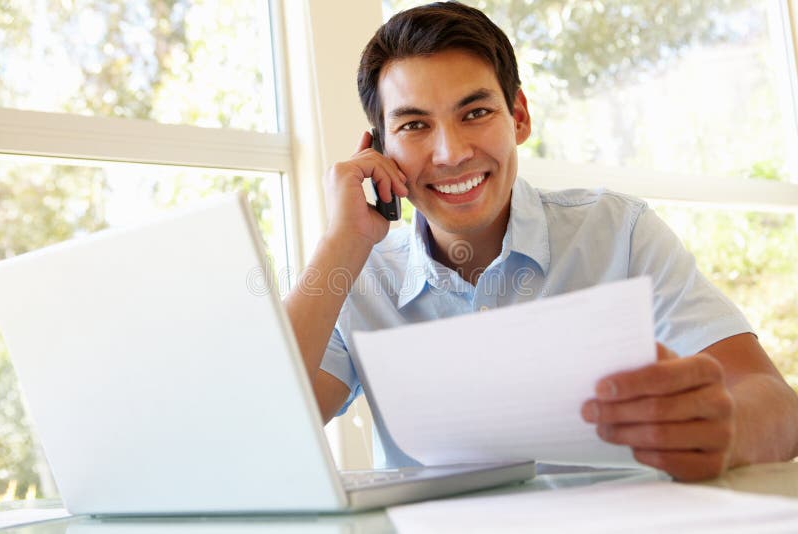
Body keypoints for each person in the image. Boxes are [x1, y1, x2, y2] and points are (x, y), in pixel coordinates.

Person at [284, 1, 798, 481]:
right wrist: (341, 241)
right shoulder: (358, 275)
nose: (450, 153)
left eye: (476, 113)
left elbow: (775, 405)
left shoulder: (620, 233)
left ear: (520, 116)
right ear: (379, 148)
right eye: (415, 125)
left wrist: (726, 432)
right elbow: (265, 417)